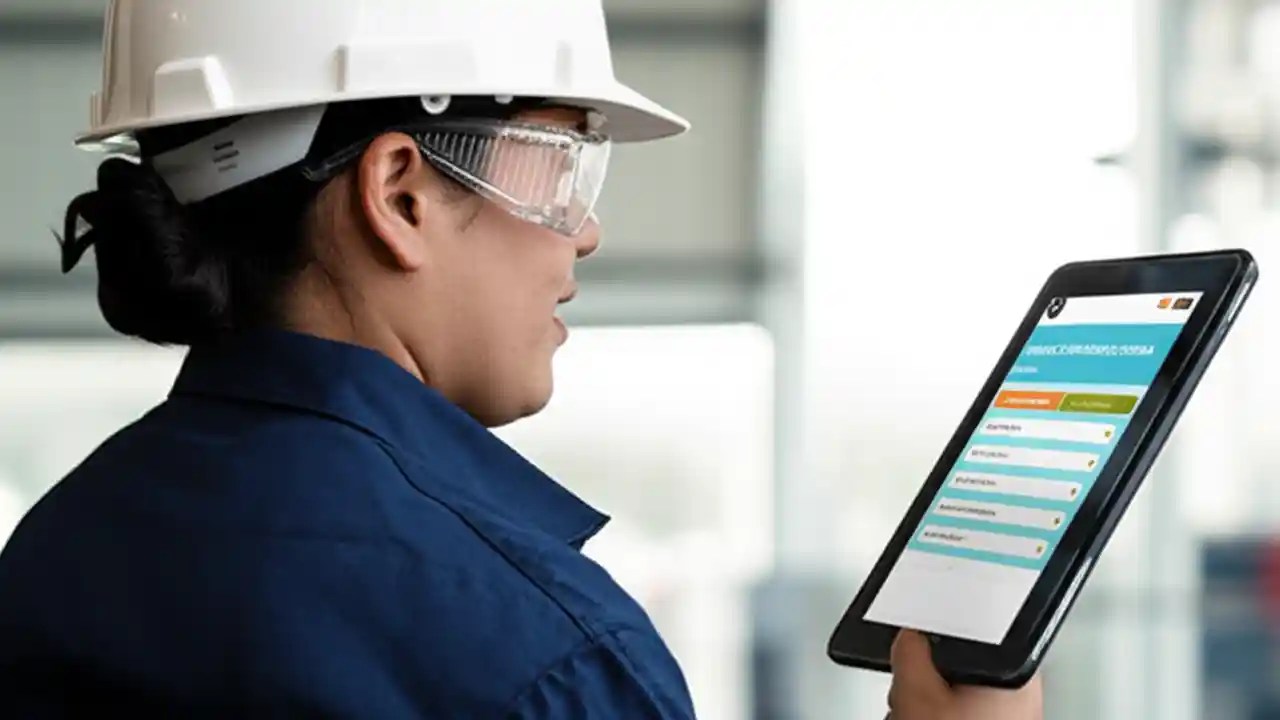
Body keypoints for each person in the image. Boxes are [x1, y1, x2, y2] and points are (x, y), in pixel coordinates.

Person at [0, 1, 1043, 717]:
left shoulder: (59, 554)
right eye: (560, 164)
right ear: (401, 194)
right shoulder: (536, 652)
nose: (583, 231)